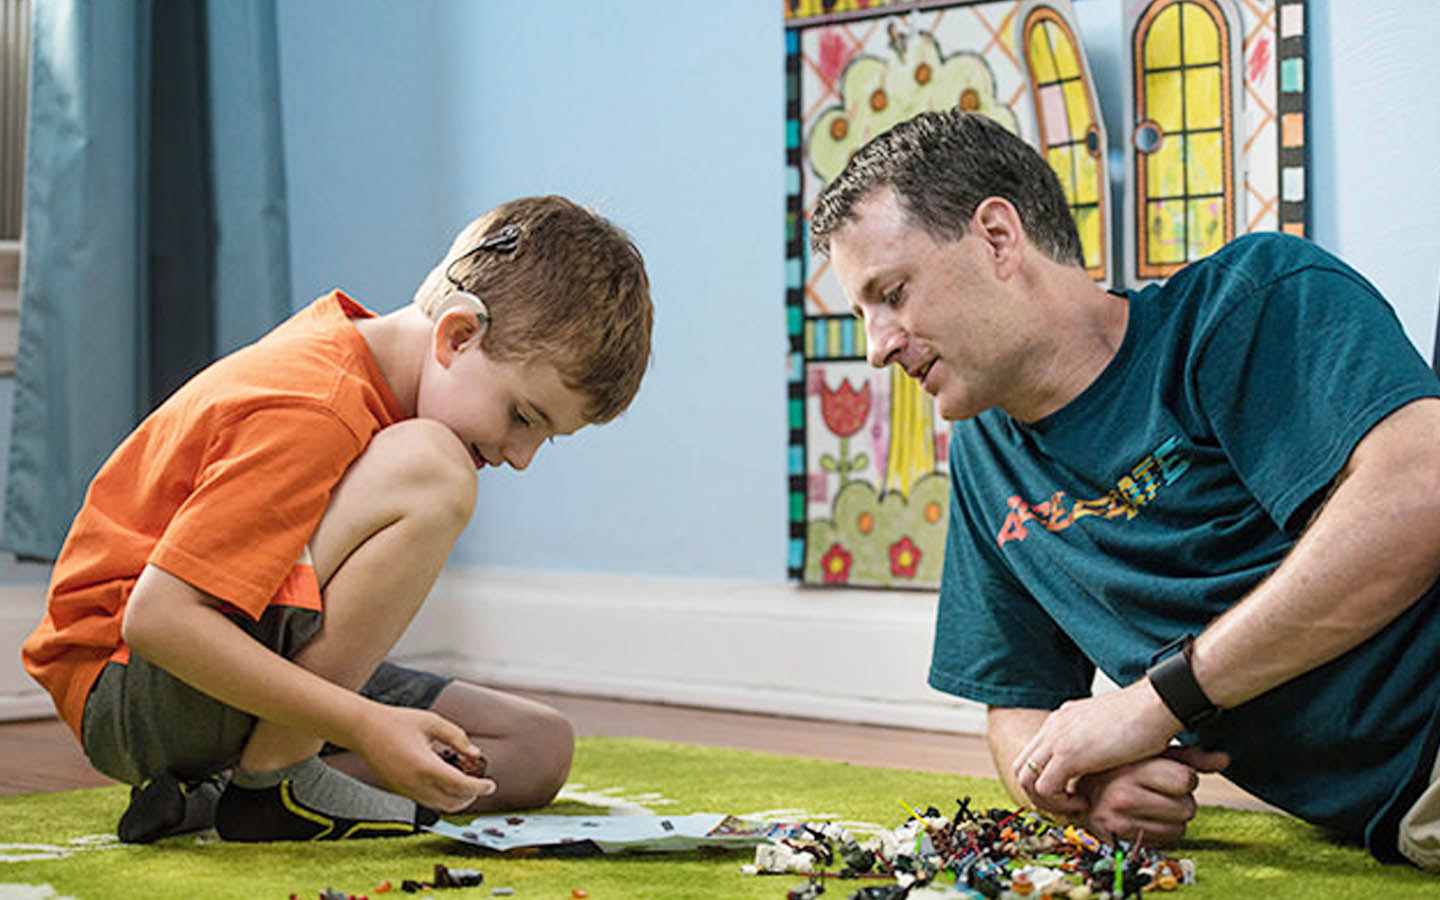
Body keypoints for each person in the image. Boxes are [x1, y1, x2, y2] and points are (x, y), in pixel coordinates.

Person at [808, 109, 1440, 870]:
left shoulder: (1249, 300)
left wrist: (1153, 703)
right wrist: (1073, 785)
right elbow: (1016, 709)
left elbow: (1422, 492)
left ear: (999, 239)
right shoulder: (986, 456)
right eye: (862, 312)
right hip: (1405, 814)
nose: (877, 348)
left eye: (893, 292)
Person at [21, 194, 654, 843]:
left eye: (548, 438)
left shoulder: (368, 371)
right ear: (456, 336)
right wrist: (360, 723)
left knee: (535, 744)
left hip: (213, 664)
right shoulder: (317, 404)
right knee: (435, 466)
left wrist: (364, 722)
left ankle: (223, 796)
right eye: (524, 418)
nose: (521, 457)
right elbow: (158, 619)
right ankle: (277, 780)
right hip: (136, 691)